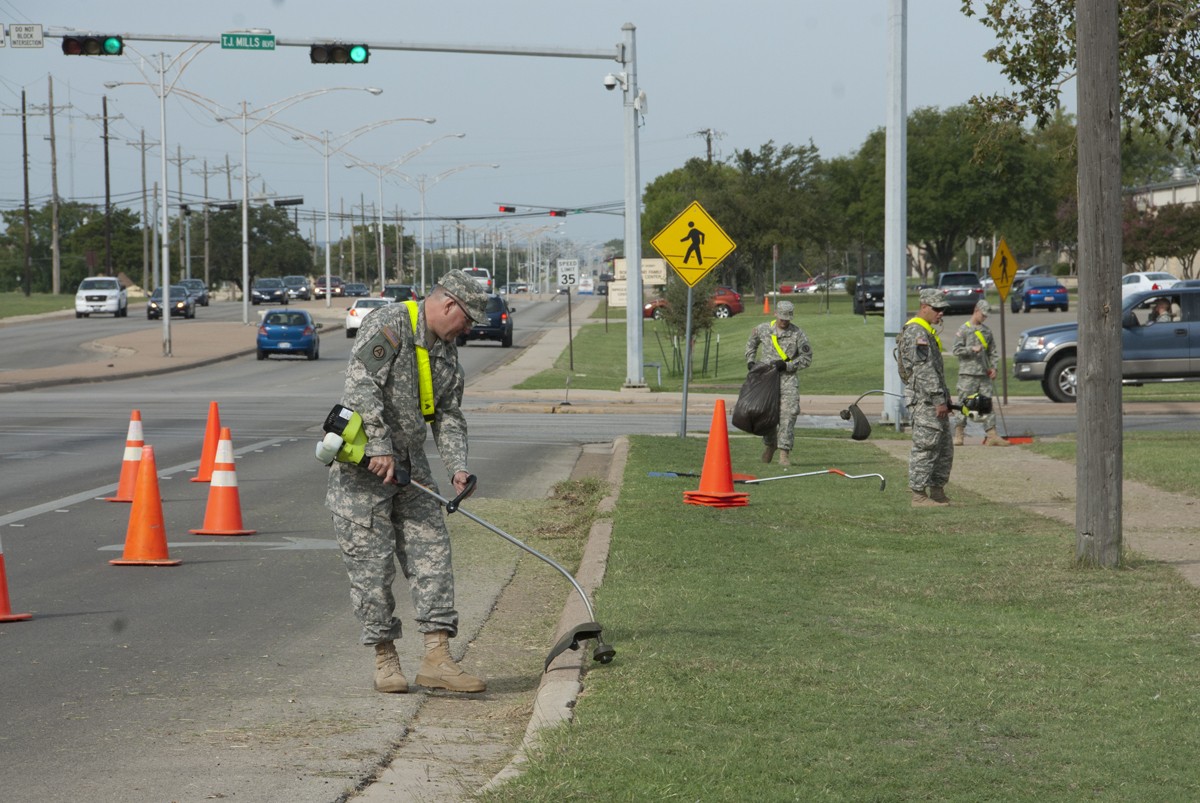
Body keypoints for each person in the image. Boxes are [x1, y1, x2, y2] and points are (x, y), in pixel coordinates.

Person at [326, 269, 489, 695]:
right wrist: (378, 446)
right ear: (449, 304)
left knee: (432, 553)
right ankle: (385, 658)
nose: (468, 329)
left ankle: (438, 657)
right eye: (467, 319)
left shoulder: (446, 352)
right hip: (364, 473)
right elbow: (361, 386)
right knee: (373, 571)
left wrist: (458, 466)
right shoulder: (391, 324)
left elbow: (449, 412)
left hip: (411, 470)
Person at [896, 288, 954, 507]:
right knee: (926, 445)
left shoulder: (927, 331)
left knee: (943, 447)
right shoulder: (916, 332)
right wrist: (939, 399)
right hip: (925, 399)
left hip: (935, 397)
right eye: (937, 309)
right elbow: (924, 370)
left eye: (942, 309)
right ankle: (918, 495)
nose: (941, 313)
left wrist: (944, 398)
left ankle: (937, 491)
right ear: (924, 307)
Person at [744, 299, 813, 466]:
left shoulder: (798, 334)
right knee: (766, 416)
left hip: (787, 379)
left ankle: (784, 453)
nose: (784, 322)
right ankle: (770, 445)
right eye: (782, 318)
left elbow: (807, 358)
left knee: (788, 415)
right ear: (776, 314)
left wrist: (788, 365)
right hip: (766, 379)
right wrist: (750, 361)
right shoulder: (763, 329)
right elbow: (751, 344)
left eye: (788, 319)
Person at [951, 299, 1010, 447]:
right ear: (976, 310)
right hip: (967, 374)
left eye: (986, 316)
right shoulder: (963, 329)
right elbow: (956, 350)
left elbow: (993, 352)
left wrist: (994, 368)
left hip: (983, 374)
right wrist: (971, 349)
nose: (984, 318)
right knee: (964, 404)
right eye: (982, 314)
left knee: (987, 404)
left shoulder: (986, 331)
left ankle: (992, 435)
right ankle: (959, 434)